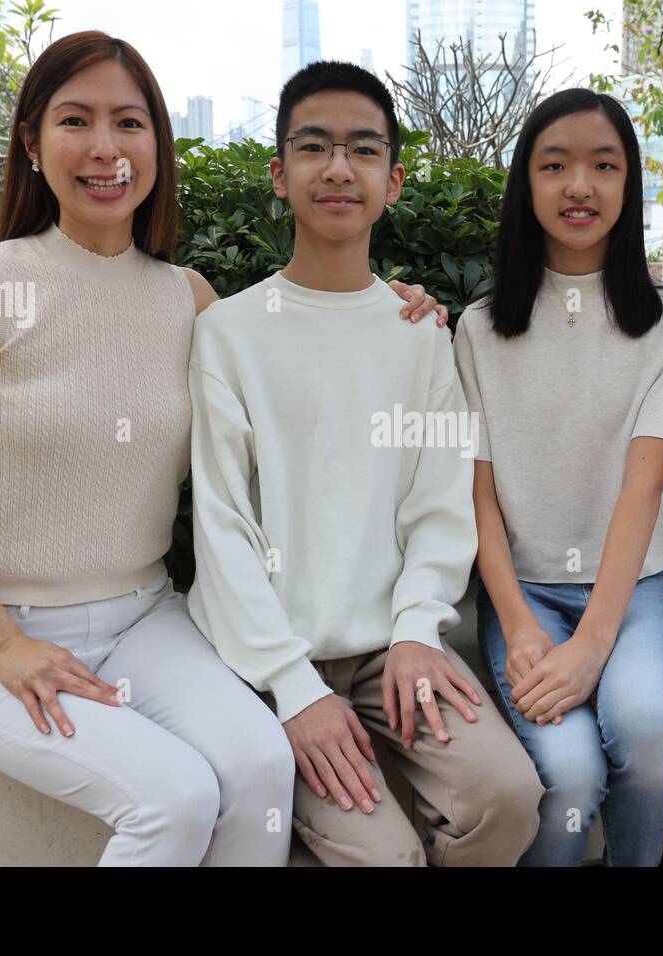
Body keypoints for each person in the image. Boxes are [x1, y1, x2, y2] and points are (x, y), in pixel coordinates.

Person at [0, 31, 445, 867]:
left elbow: (307, 359)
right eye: (75, 121)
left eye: (128, 124)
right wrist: (2, 644)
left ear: (156, 146)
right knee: (174, 801)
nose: (105, 149)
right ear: (32, 143)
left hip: (146, 618)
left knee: (259, 766)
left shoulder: (191, 301)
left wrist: (397, 308)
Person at [185, 60, 543, 867]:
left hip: (395, 648)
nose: (339, 168)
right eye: (314, 147)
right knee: (383, 856)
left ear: (394, 179)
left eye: (363, 150)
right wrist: (292, 686)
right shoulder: (231, 334)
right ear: (279, 175)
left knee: (508, 797)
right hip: (272, 651)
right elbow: (222, 525)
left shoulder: (420, 333)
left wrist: (419, 629)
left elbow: (440, 504)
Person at [453, 88, 663, 866]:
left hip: (632, 590)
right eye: (554, 165)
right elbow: (479, 495)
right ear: (525, 185)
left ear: (629, 185)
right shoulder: (479, 327)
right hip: (523, 591)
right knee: (566, 772)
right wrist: (523, 626)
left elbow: (644, 487)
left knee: (649, 737)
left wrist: (593, 644)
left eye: (604, 165)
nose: (579, 187)